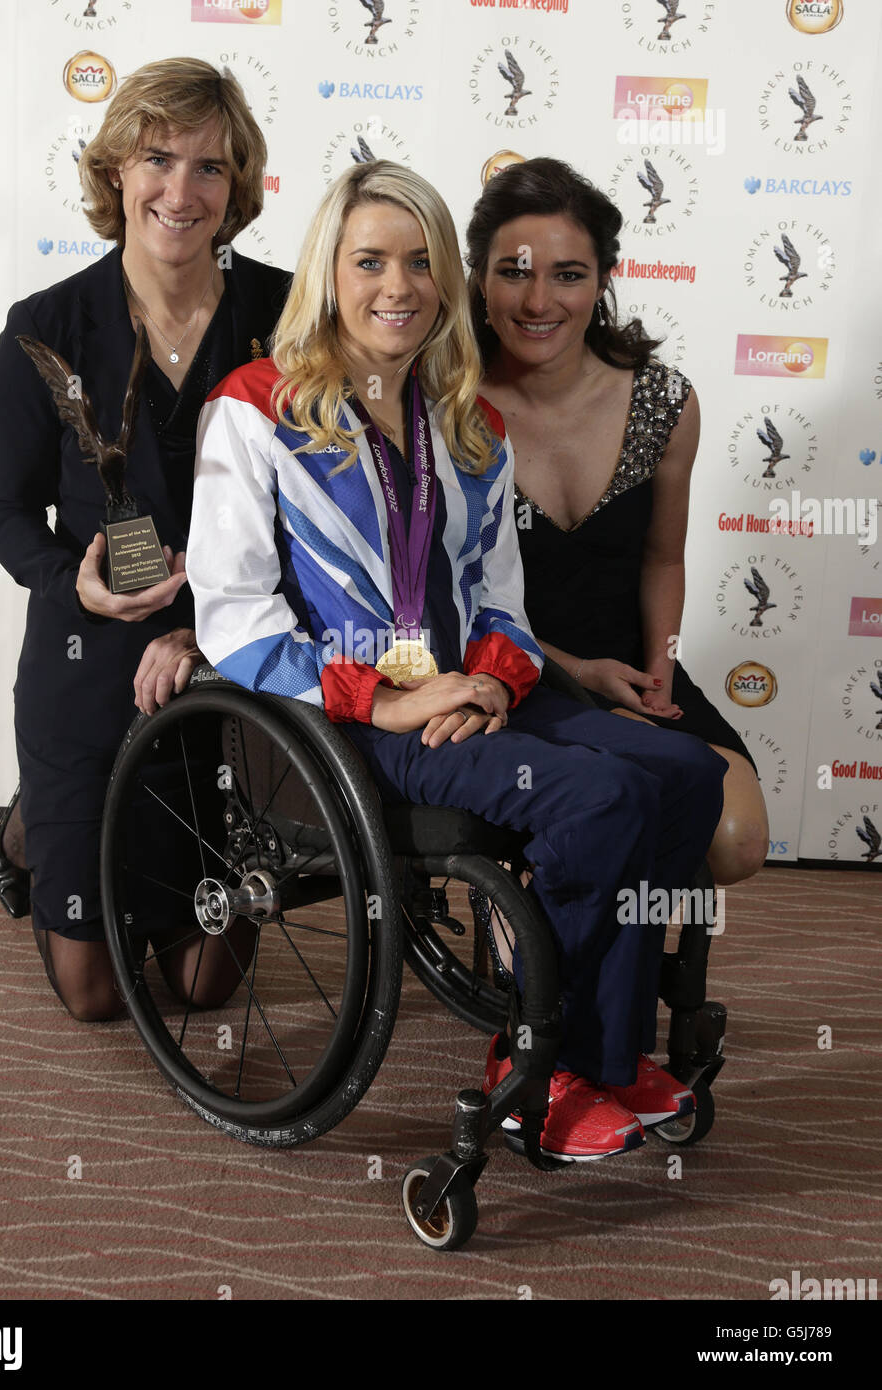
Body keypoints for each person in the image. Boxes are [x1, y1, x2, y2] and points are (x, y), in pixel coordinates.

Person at [187, 161, 728, 1162]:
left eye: (420, 262)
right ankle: (536, 1067)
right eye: (370, 261)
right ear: (330, 273)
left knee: (684, 771)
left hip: (468, 697)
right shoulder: (255, 410)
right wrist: (386, 700)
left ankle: (604, 1057)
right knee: (596, 801)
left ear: (446, 281)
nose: (397, 285)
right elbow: (233, 618)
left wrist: (492, 678)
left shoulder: (466, 418)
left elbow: (499, 599)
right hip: (348, 722)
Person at [0, 58, 289, 1021]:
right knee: (93, 1000)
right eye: (158, 158)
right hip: (90, 654)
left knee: (202, 989)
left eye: (211, 167)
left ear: (236, 188)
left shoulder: (286, 318)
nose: (181, 190)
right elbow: (3, 516)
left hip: (235, 651)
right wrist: (73, 583)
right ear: (117, 170)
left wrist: (218, 623)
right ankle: (36, 822)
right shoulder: (46, 326)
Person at [468, 157, 768, 887]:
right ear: (478, 277)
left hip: (627, 668)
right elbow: (447, 592)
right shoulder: (444, 405)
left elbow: (662, 559)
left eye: (567, 274)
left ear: (604, 279)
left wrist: (658, 672)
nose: (539, 300)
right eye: (515, 271)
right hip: (500, 666)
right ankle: (541, 900)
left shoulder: (662, 401)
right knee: (635, 799)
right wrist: (575, 673)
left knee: (734, 840)